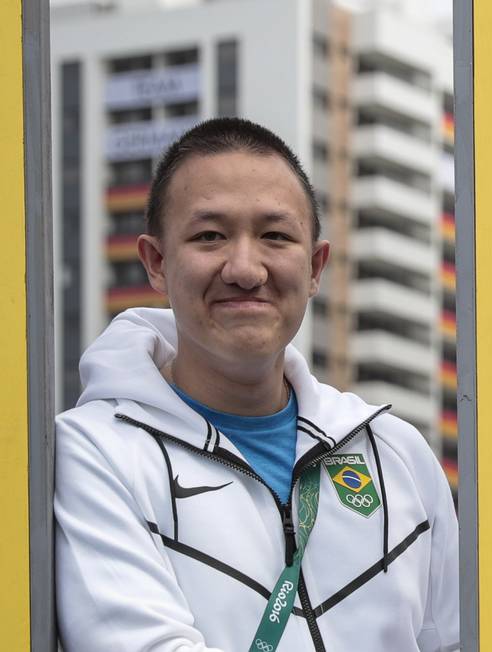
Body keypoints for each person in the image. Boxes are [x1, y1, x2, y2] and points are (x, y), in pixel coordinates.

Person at [55, 118, 459, 652]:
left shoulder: (395, 453)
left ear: (315, 267)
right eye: (209, 236)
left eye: (275, 236)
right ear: (156, 262)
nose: (245, 269)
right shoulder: (93, 452)